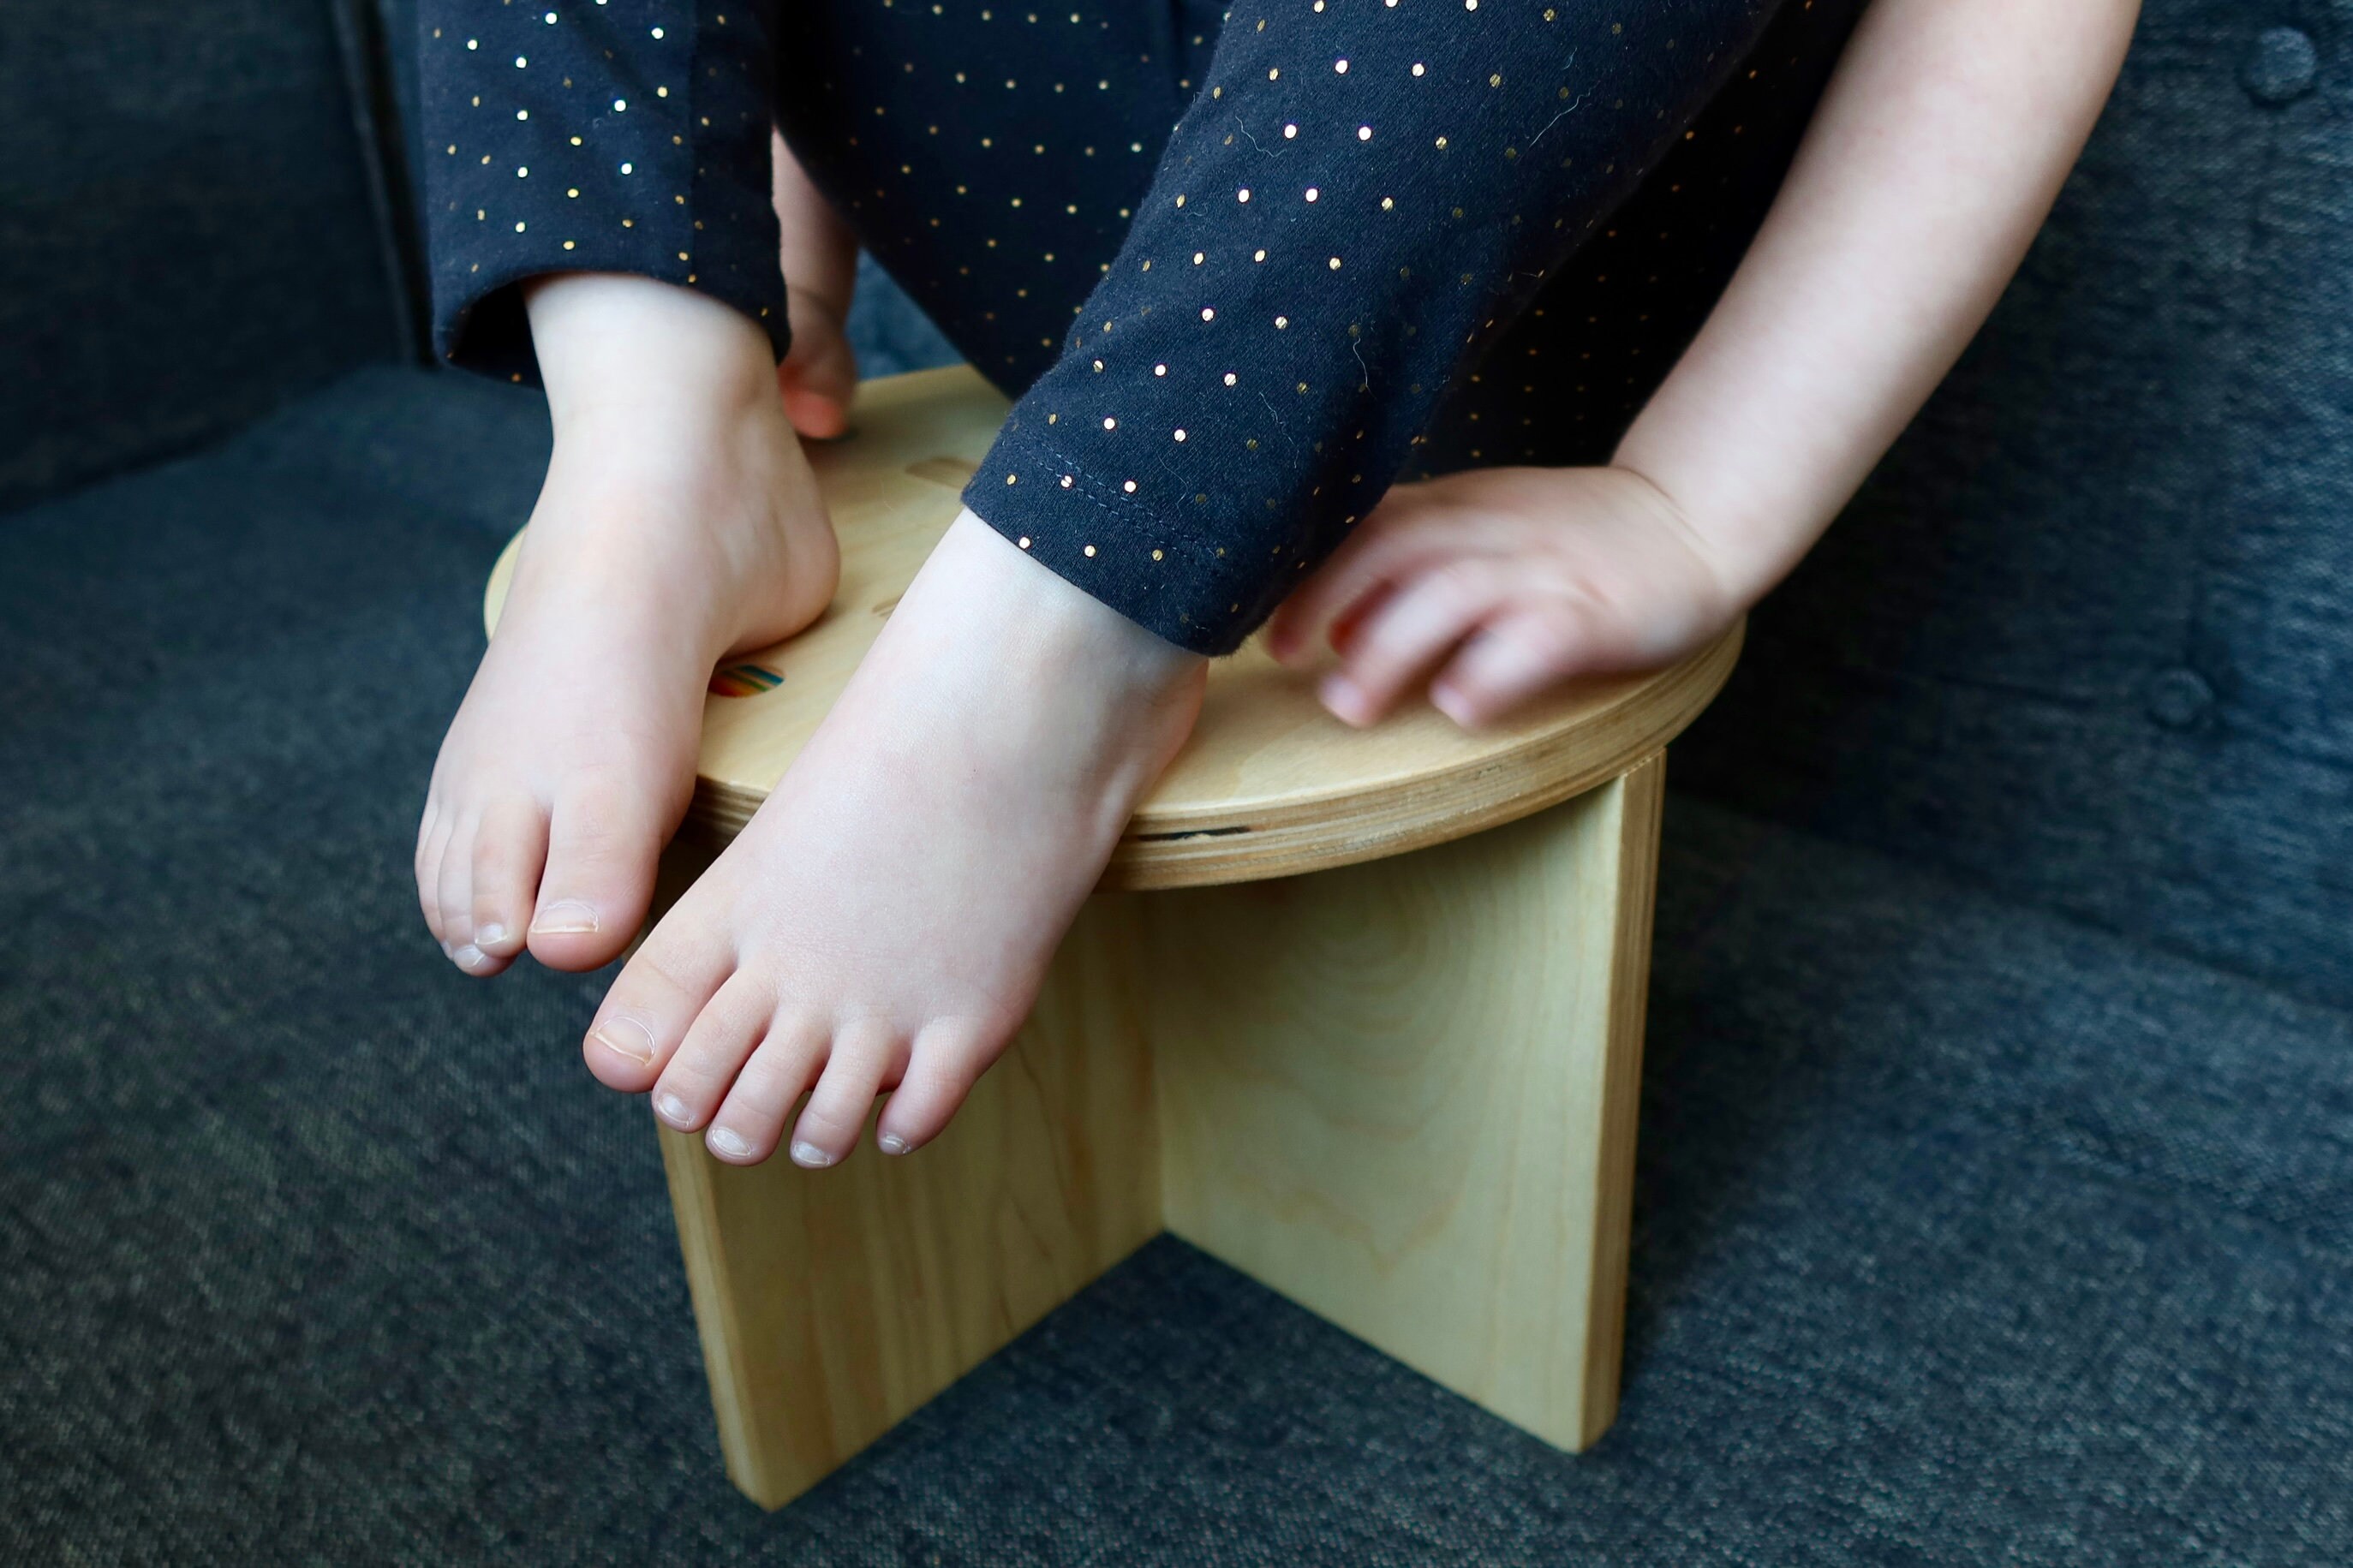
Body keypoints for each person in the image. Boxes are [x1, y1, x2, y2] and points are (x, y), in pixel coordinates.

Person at [413, 0, 2141, 1168]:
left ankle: (1056, 644)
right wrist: (754, 270)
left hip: (1471, 255)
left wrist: (1696, 504)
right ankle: (660, 437)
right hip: (1051, 226)